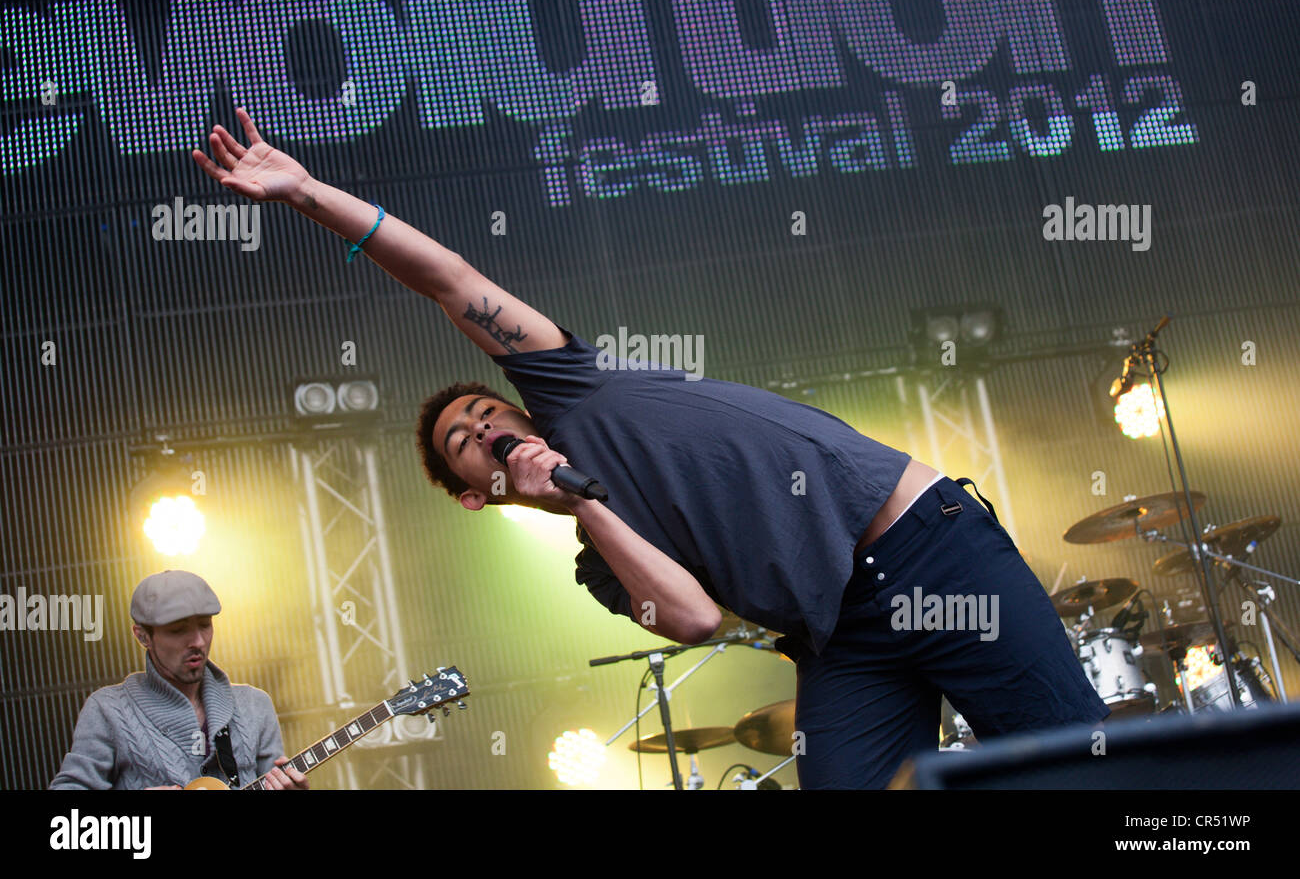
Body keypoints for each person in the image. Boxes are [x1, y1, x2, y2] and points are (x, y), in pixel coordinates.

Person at [192, 109, 1108, 788]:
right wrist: (581, 498)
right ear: (474, 494)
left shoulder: (566, 388)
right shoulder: (601, 567)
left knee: (1079, 772)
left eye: (480, 409)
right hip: (844, 638)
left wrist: (309, 194)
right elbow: (696, 619)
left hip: (924, 548)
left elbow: (449, 279)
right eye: (462, 445)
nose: (480, 428)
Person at [50, 570, 308, 790]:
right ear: (142, 636)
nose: (197, 641)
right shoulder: (108, 709)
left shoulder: (255, 704)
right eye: (178, 630)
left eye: (204, 625)